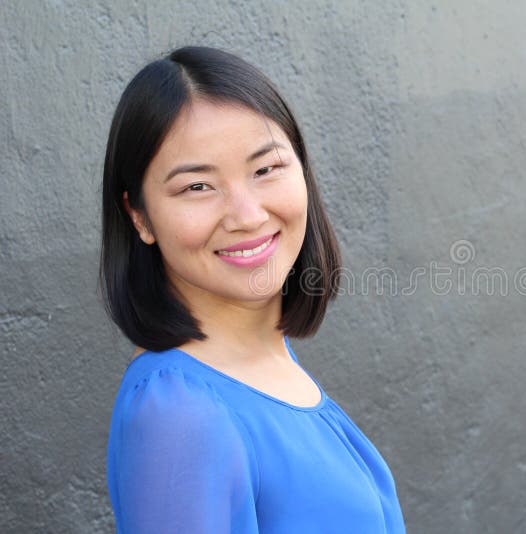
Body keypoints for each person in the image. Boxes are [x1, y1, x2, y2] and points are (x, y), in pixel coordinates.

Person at [100, 45, 406, 533]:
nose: (247, 215)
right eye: (197, 187)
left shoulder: (265, 360)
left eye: (266, 170)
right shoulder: (179, 415)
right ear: (139, 215)